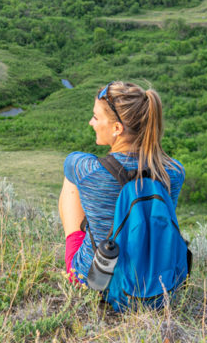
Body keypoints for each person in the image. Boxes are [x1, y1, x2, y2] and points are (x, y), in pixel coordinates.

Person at [58, 81, 185, 285]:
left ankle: (79, 253)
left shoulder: (87, 169)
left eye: (96, 117)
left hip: (93, 280)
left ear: (117, 128)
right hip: (151, 282)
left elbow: (71, 163)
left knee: (73, 184)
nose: (91, 122)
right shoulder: (174, 172)